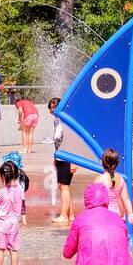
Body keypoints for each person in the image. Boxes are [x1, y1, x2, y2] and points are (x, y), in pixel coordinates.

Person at [62, 182, 133, 265]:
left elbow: (67, 253)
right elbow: (125, 246)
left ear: (86, 199)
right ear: (106, 199)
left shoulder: (81, 219)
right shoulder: (117, 219)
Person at [49, 96, 75, 224]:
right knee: (63, 186)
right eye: (51, 109)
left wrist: (75, 162)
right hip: (60, 157)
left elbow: (73, 141)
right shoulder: (56, 121)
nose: (52, 111)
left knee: (64, 186)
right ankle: (70, 215)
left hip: (68, 157)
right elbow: (57, 142)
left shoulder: (66, 122)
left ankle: (64, 215)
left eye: (54, 108)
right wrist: (54, 157)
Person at [94, 147, 133, 224]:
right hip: (117, 216)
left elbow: (93, 200)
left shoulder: (100, 179)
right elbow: (126, 199)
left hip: (103, 216)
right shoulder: (121, 179)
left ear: (101, 162)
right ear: (117, 164)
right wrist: (130, 214)